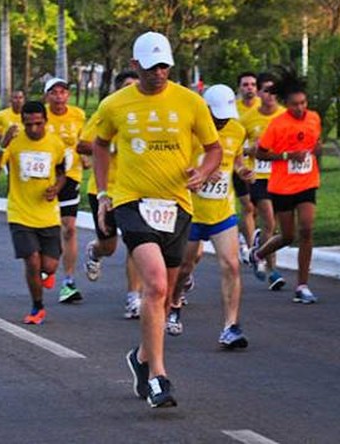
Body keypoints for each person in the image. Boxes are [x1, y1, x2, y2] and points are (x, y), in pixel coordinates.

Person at [93, 31, 222, 409]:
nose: (159, 73)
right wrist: (104, 193)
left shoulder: (190, 102)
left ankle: (142, 357)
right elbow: (100, 145)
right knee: (154, 284)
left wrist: (203, 171)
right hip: (132, 202)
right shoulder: (115, 104)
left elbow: (213, 148)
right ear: (135, 66)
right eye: (151, 68)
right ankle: (158, 377)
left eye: (164, 66)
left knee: (165, 291)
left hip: (177, 205)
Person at [165, 85, 250, 350]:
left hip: (223, 212)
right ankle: (175, 304)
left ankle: (231, 327)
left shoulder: (237, 130)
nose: (222, 121)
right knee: (185, 268)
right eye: (217, 116)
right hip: (191, 212)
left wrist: (242, 169)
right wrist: (200, 172)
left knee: (232, 266)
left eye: (226, 116)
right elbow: (174, 167)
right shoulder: (189, 132)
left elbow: (234, 159)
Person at [0, 100, 68, 324]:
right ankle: (37, 306)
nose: (33, 129)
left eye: (38, 124)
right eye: (28, 124)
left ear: (46, 121)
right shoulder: (13, 142)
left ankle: (48, 273)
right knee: (32, 260)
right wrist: (2, 145)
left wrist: (56, 188)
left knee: (49, 265)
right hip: (19, 213)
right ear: (22, 122)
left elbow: (62, 173)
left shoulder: (55, 144)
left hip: (48, 214)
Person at [250, 73, 323, 303]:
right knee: (288, 236)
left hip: (307, 183)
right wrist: (287, 155)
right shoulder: (278, 124)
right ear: (286, 104)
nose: (300, 108)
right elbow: (260, 152)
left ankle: (302, 286)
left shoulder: (314, 118)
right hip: (282, 186)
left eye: (303, 103)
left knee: (307, 230)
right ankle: (259, 253)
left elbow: (316, 144)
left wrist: (314, 155)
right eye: (295, 104)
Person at [78, 70, 143, 319]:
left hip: (134, 189)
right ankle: (95, 251)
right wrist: (110, 144)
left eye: (136, 85)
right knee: (109, 246)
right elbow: (82, 144)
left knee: (136, 244)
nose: (133, 89)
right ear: (117, 90)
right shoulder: (106, 112)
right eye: (128, 85)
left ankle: (133, 299)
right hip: (103, 190)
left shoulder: (143, 116)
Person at [240, 74, 286, 290]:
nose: (270, 95)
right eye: (266, 90)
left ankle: (258, 249)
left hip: (282, 176)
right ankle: (272, 271)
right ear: (259, 93)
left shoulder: (285, 116)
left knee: (275, 224)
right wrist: (252, 152)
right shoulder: (247, 118)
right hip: (259, 177)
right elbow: (235, 148)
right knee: (269, 222)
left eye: (274, 91)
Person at [44, 77, 87, 304]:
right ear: (47, 96)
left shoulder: (78, 115)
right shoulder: (39, 116)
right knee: (48, 227)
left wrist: (87, 156)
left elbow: (84, 140)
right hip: (45, 178)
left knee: (69, 228)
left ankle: (68, 281)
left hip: (71, 176)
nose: (59, 96)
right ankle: (48, 267)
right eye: (54, 92)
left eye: (63, 92)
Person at [233, 72, 261, 257]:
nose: (249, 87)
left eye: (252, 84)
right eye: (245, 84)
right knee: (248, 206)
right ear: (240, 88)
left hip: (262, 167)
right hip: (239, 164)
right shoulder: (234, 110)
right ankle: (252, 250)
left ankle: (245, 234)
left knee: (257, 209)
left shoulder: (263, 108)